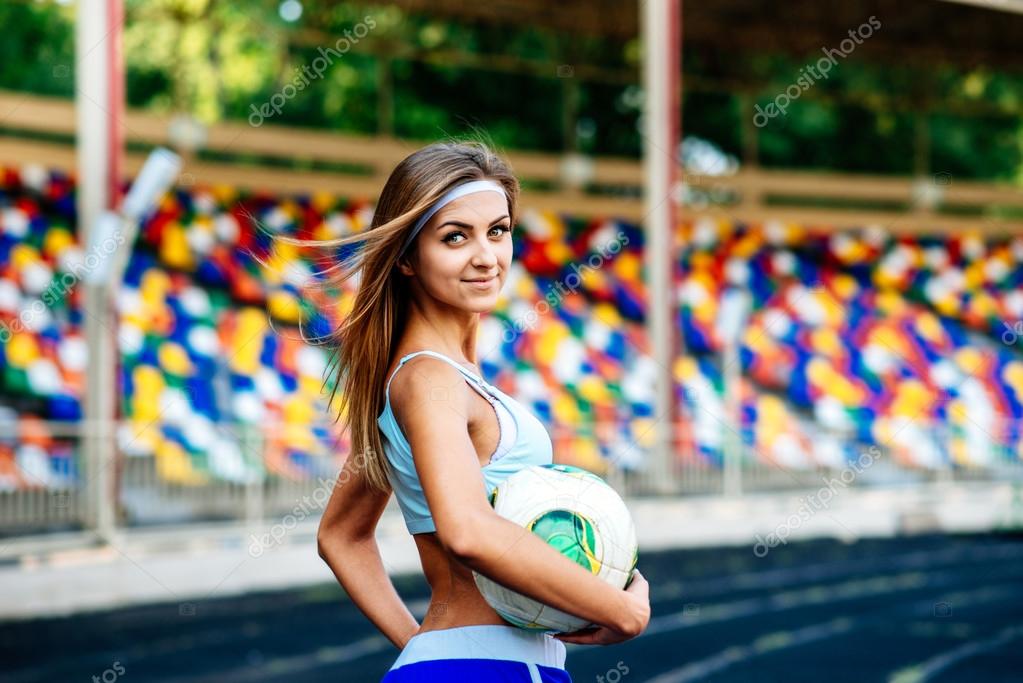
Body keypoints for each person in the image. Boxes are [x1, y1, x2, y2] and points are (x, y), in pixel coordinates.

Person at [311, 139, 650, 682]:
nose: (486, 256)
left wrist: (423, 651)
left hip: (471, 663)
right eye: (455, 237)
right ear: (405, 258)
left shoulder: (430, 377)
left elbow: (342, 535)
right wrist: (621, 610)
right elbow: (467, 530)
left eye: (498, 230)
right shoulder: (429, 379)